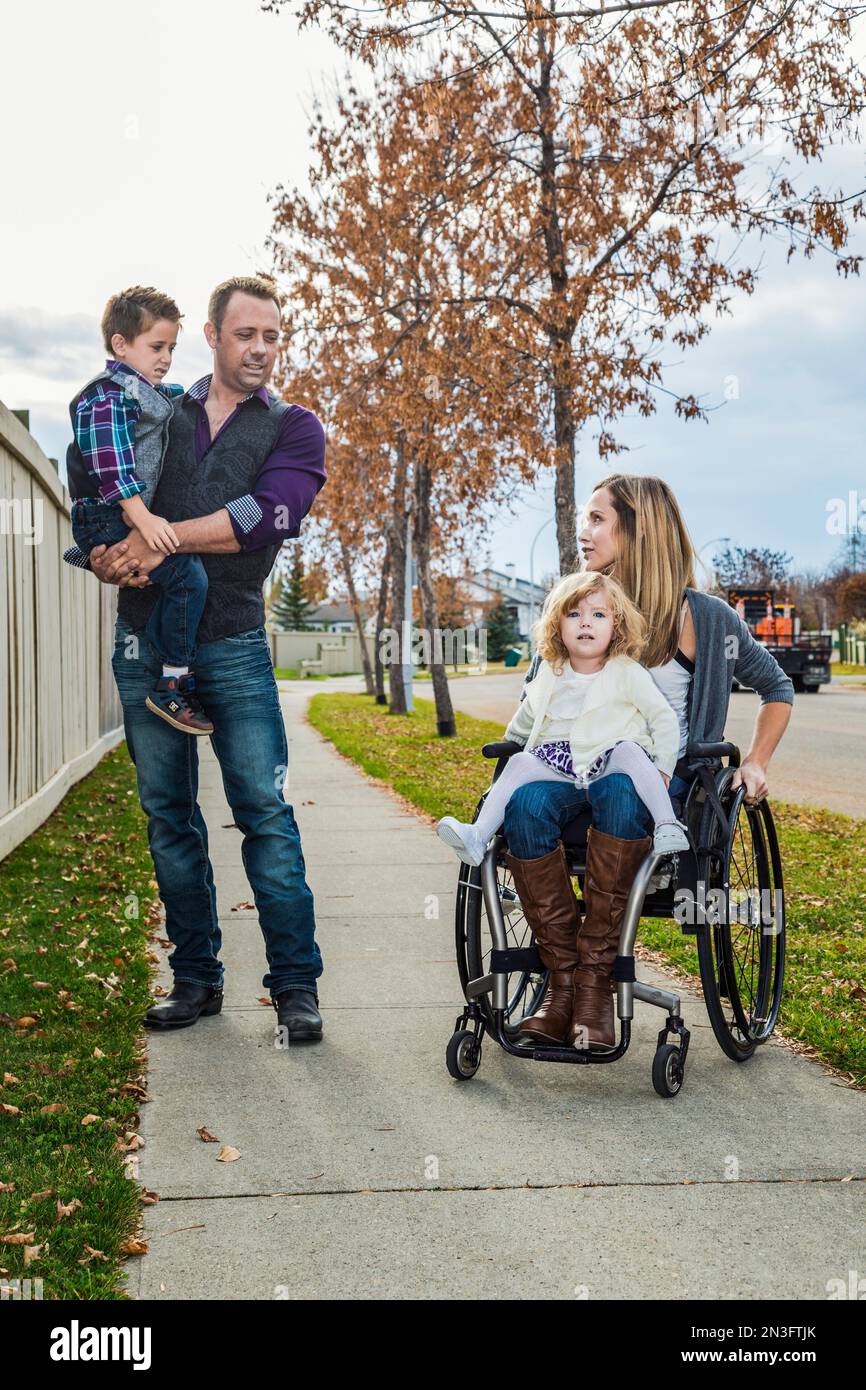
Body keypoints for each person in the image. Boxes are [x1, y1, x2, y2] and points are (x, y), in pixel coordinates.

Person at [63, 275, 328, 1042]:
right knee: (168, 818)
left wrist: (159, 538)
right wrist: (106, 554)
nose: (262, 349)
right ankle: (195, 979)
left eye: (274, 336)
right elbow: (92, 477)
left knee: (264, 813)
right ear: (213, 336)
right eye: (247, 334)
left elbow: (266, 517)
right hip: (144, 641)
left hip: (235, 644)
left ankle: (295, 986)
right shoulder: (153, 405)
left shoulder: (293, 426)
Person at [492, 474, 795, 1054]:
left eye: (598, 519)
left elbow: (776, 687)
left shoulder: (705, 619)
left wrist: (756, 761)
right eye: (586, 519)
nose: (584, 532)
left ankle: (592, 987)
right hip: (567, 768)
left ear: (638, 528)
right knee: (526, 802)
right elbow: (538, 702)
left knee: (627, 791)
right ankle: (563, 985)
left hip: (655, 778)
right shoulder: (576, 606)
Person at [436, 572, 690, 886]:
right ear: (557, 625)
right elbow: (525, 718)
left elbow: (663, 718)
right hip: (560, 760)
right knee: (519, 763)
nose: (586, 623)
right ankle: (478, 835)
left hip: (610, 756)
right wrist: (510, 742)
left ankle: (667, 825)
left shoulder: (626, 671)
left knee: (629, 751)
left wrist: (663, 767)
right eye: (574, 614)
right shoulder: (550, 673)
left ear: (616, 626)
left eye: (598, 615)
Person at [67, 286, 212, 734]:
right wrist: (142, 518)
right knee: (187, 579)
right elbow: (111, 463)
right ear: (120, 344)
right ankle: (172, 683)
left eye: (171, 347)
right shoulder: (107, 396)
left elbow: (179, 398)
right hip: (110, 513)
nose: (166, 357)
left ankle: (173, 676)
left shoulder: (147, 391)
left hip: (117, 516)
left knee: (179, 579)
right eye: (156, 347)